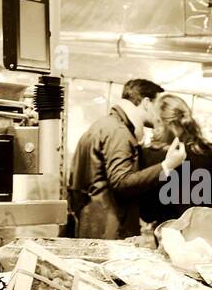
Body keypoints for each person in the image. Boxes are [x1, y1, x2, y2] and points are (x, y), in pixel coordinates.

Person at [68, 79, 185, 240]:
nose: (159, 114)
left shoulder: (104, 125)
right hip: (109, 231)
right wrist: (167, 166)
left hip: (95, 224)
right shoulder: (118, 131)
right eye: (158, 106)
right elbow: (121, 182)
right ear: (146, 103)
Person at [139, 94, 212, 225]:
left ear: (165, 123)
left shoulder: (157, 157)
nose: (155, 130)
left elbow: (148, 213)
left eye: (155, 124)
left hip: (171, 237)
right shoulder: (210, 150)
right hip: (203, 232)